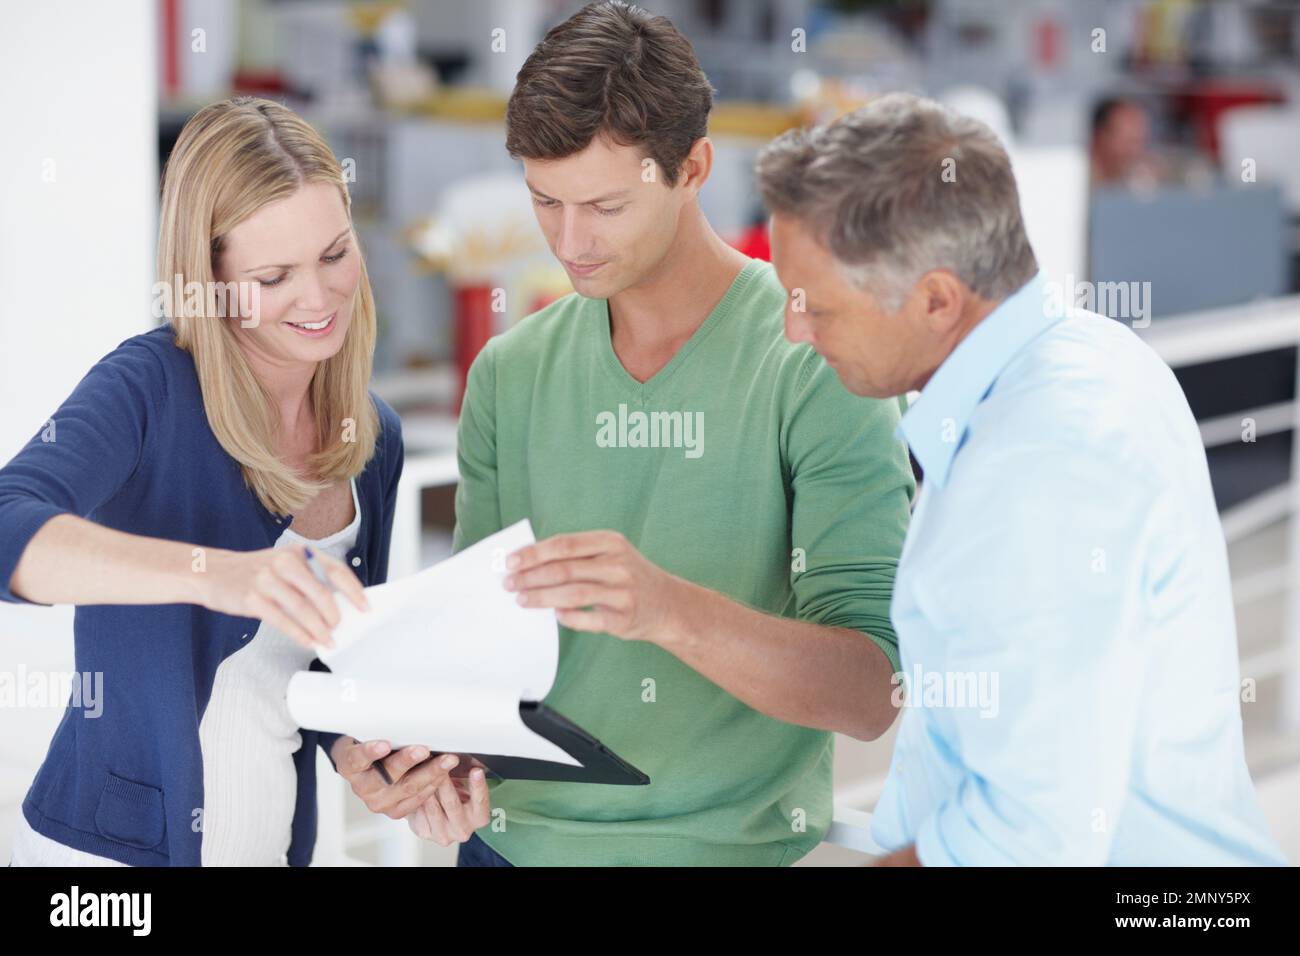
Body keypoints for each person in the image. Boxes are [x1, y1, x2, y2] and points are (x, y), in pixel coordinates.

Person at [757, 91, 1286, 865]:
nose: (793, 330)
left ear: (937, 298)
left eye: (817, 307)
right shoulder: (1078, 356)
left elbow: (1025, 838)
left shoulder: (1041, 461)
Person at [450, 0, 914, 867]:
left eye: (606, 205)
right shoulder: (509, 374)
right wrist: (419, 757)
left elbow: (873, 690)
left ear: (693, 166)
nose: (570, 241)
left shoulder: (815, 360)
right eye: (544, 202)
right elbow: (480, 661)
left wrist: (668, 611)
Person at [0, 97, 486, 865]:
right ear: (212, 278)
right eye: (274, 275)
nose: (320, 297)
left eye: (334, 254)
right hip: (107, 859)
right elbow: (6, 526)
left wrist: (369, 755)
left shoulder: (372, 436)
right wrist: (219, 575)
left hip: (269, 843)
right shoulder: (149, 387)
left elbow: (320, 672)